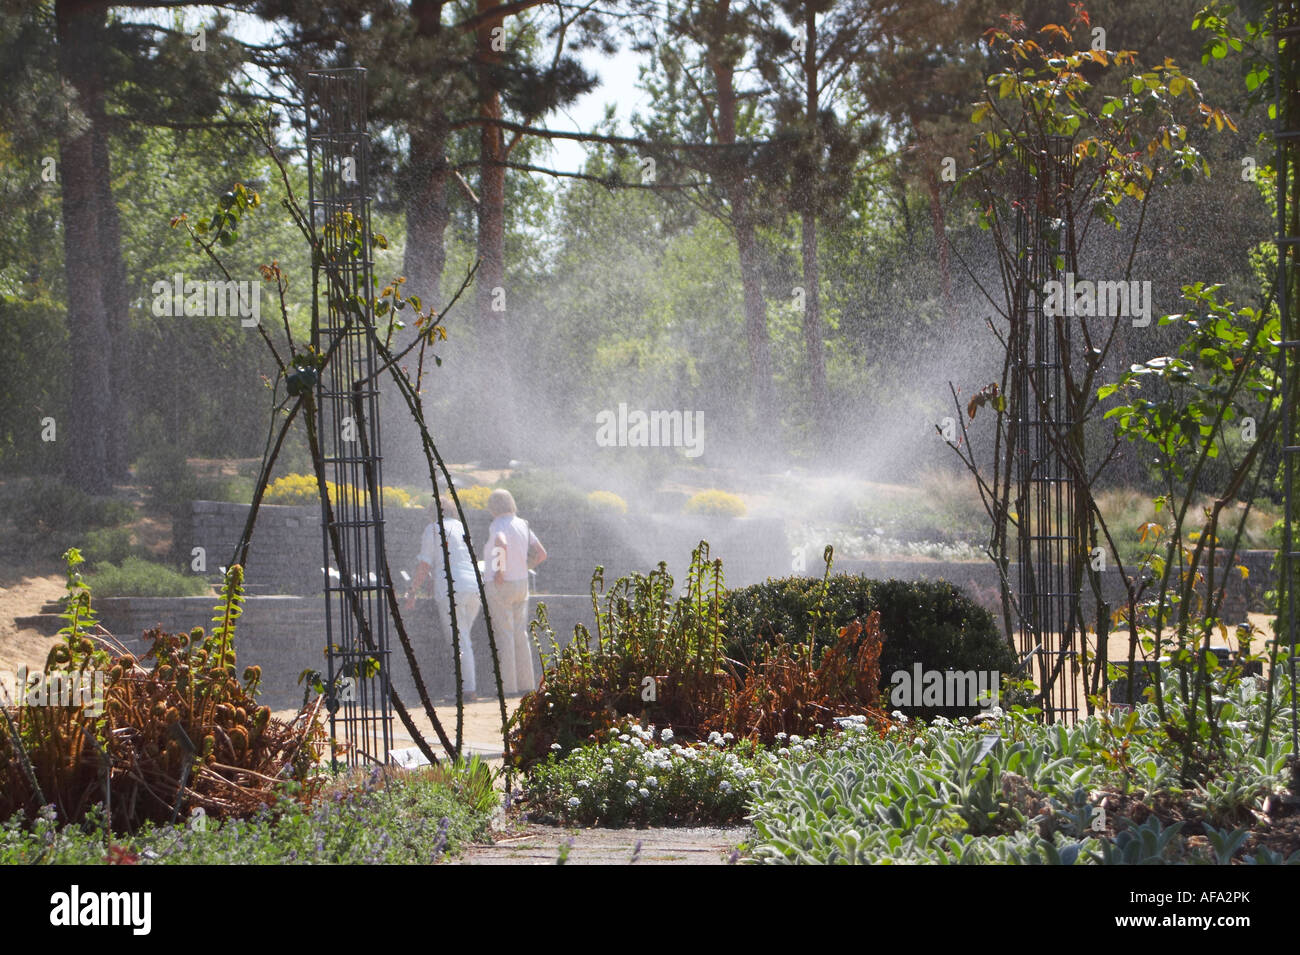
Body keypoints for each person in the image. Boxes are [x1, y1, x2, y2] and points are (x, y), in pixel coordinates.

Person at [405, 495, 481, 698]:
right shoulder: (461, 527)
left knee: (459, 640)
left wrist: (412, 591)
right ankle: (465, 686)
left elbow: (424, 564)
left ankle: (467, 689)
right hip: (473, 587)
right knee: (463, 639)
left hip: (451, 588)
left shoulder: (433, 529)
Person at [483, 488, 547, 695]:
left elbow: (501, 542)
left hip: (502, 584)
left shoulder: (497, 524)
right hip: (522, 583)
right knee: (521, 634)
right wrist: (526, 566)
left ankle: (508, 686)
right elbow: (541, 553)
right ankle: (527, 684)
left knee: (504, 634)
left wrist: (500, 570)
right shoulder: (523, 524)